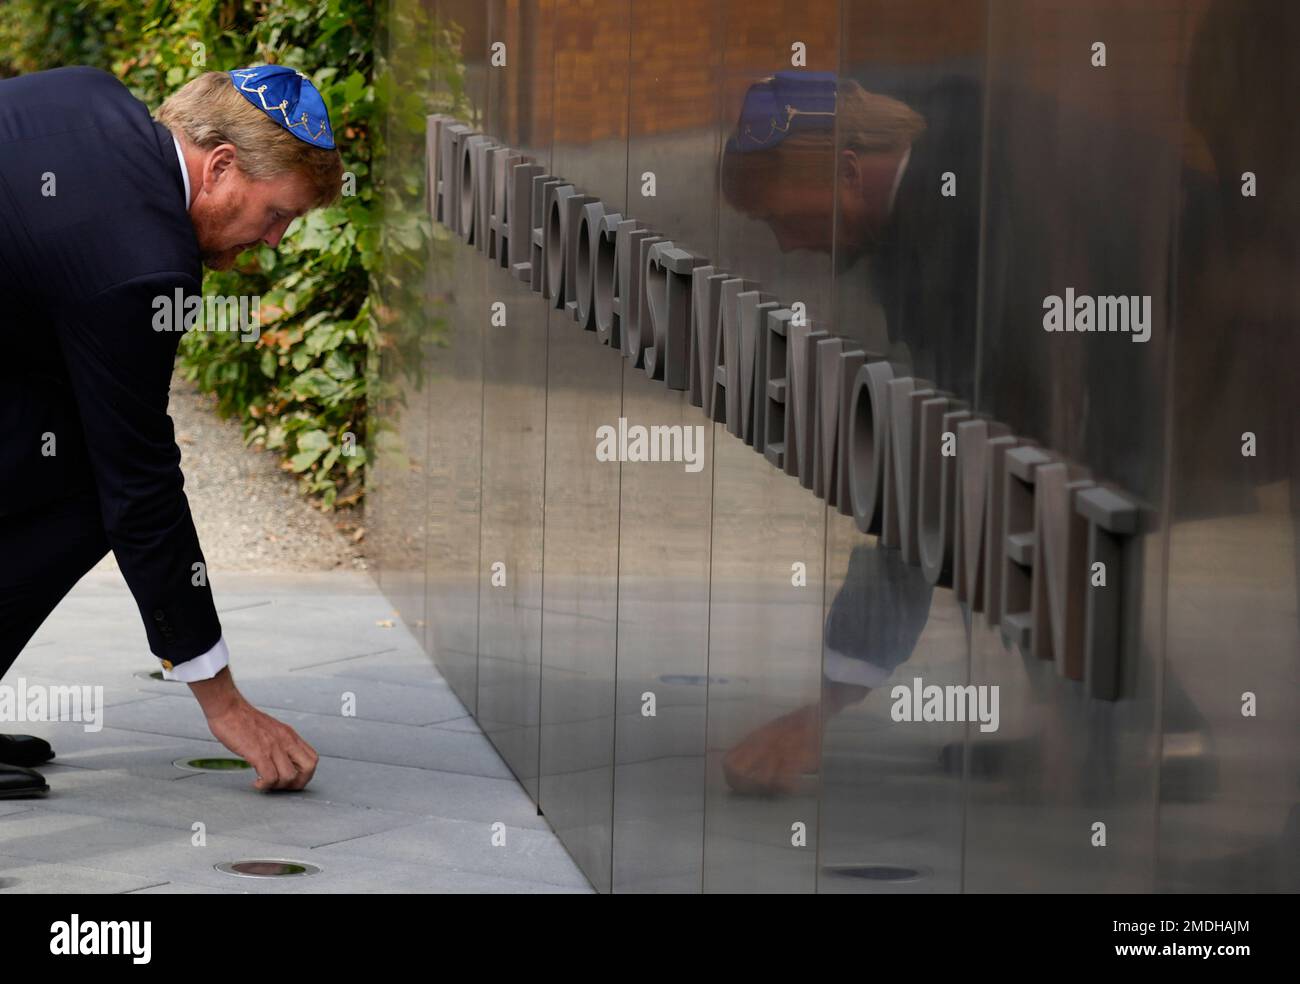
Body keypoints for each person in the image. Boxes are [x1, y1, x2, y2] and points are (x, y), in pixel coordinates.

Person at [0, 64, 336, 797]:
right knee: (95, 480)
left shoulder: (96, 96)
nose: (275, 240)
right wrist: (225, 703)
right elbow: (141, 482)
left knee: (60, 445)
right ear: (220, 167)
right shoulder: (144, 266)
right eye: (276, 213)